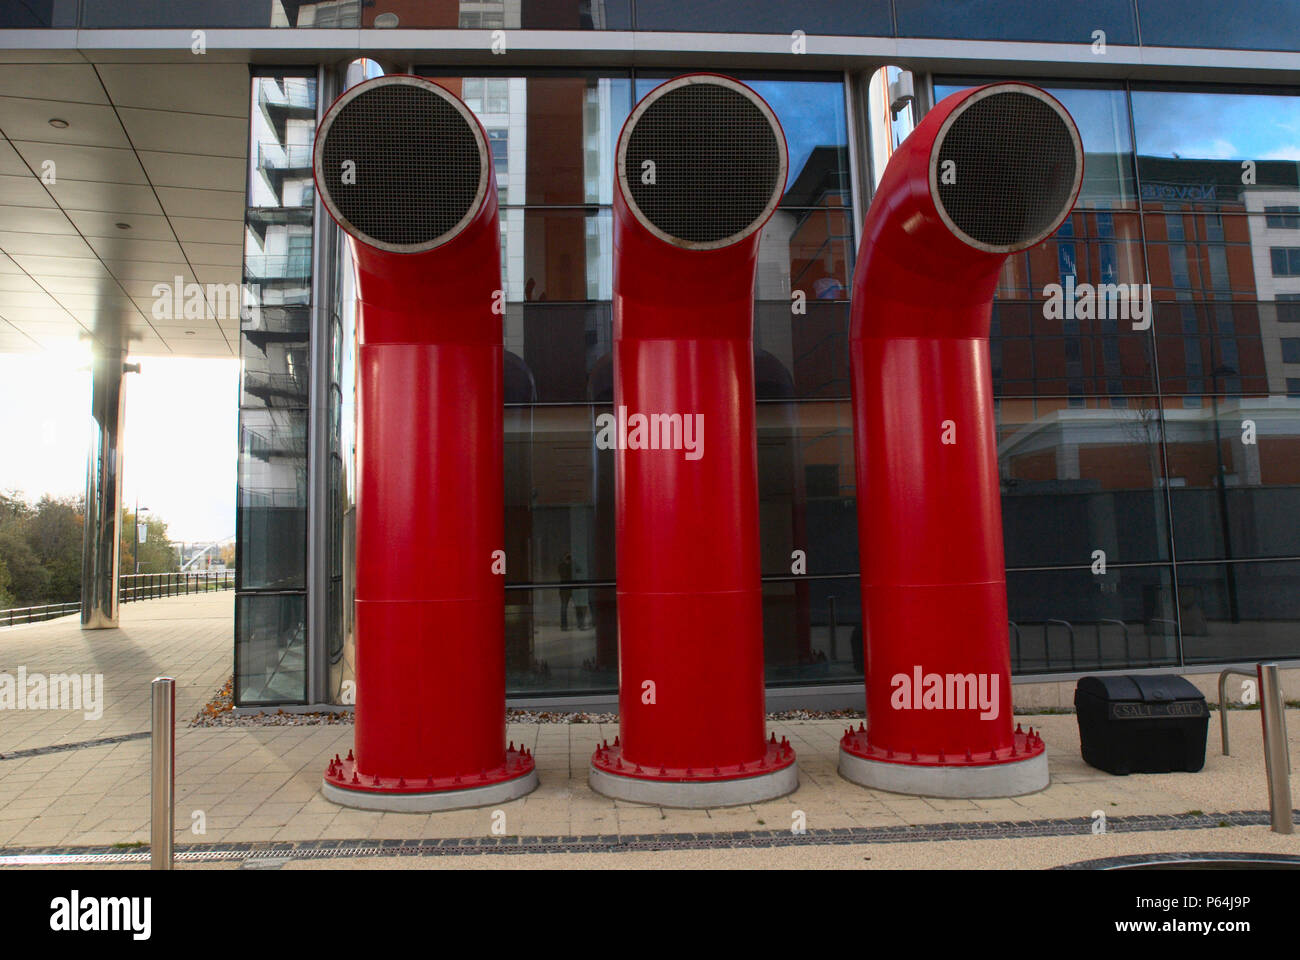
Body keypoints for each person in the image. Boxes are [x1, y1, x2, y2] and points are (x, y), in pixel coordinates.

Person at [558, 553, 573, 631]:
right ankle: (564, 625)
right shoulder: (563, 566)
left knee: (579, 606)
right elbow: (564, 575)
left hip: (568, 588)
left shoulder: (569, 566)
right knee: (564, 607)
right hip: (565, 589)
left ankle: (564, 626)